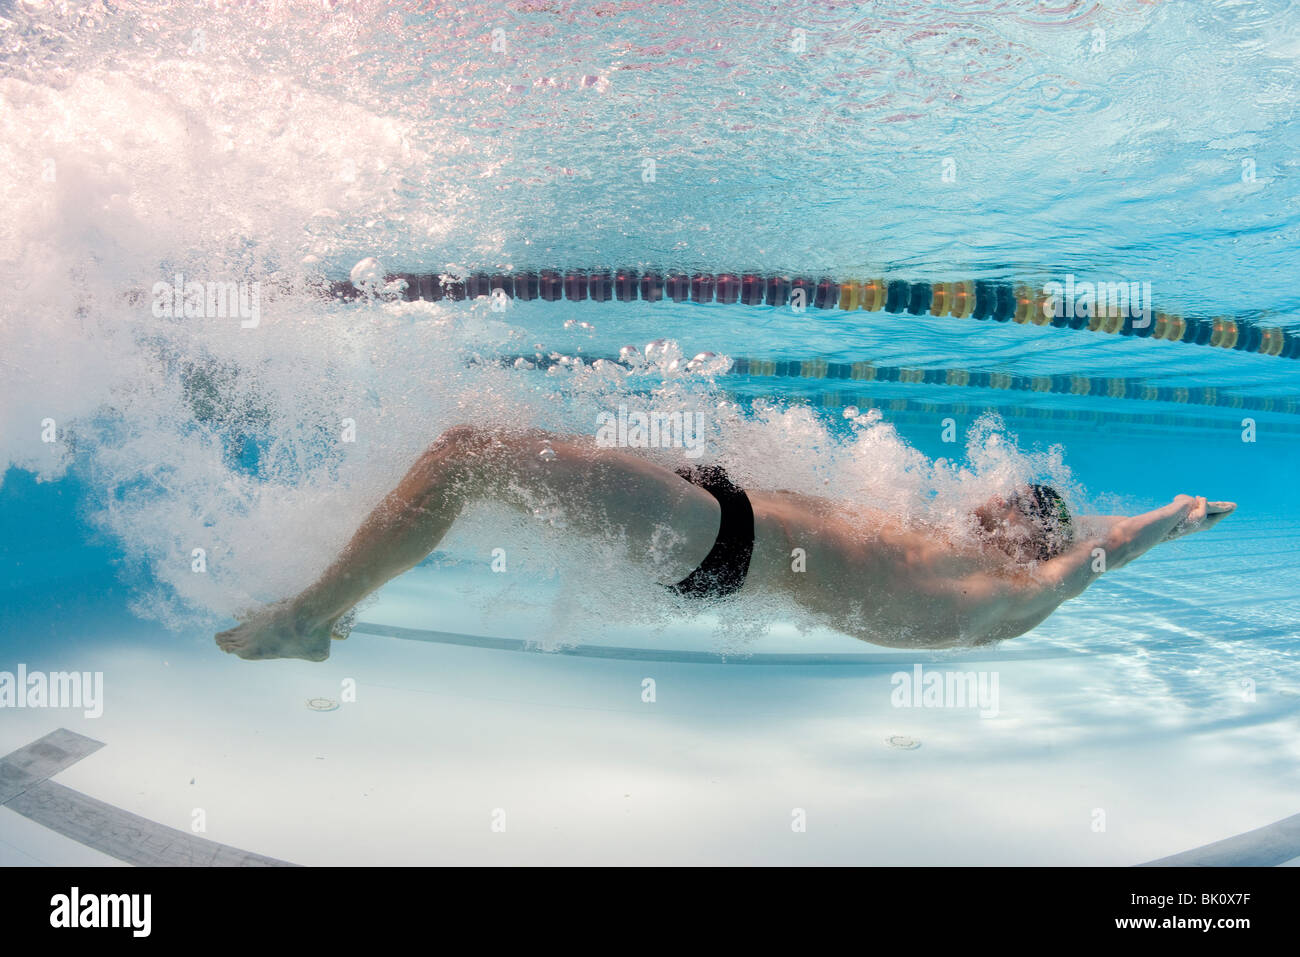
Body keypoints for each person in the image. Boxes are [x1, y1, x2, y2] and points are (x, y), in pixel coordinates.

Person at [215, 424, 1235, 661]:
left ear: (1028, 547)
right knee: (491, 457)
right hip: (722, 515)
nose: (993, 500)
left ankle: (306, 619)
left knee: (471, 456)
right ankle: (332, 600)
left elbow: (1090, 560)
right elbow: (1079, 537)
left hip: (723, 544)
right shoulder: (956, 550)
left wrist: (1170, 523)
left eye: (1019, 508)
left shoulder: (1003, 601)